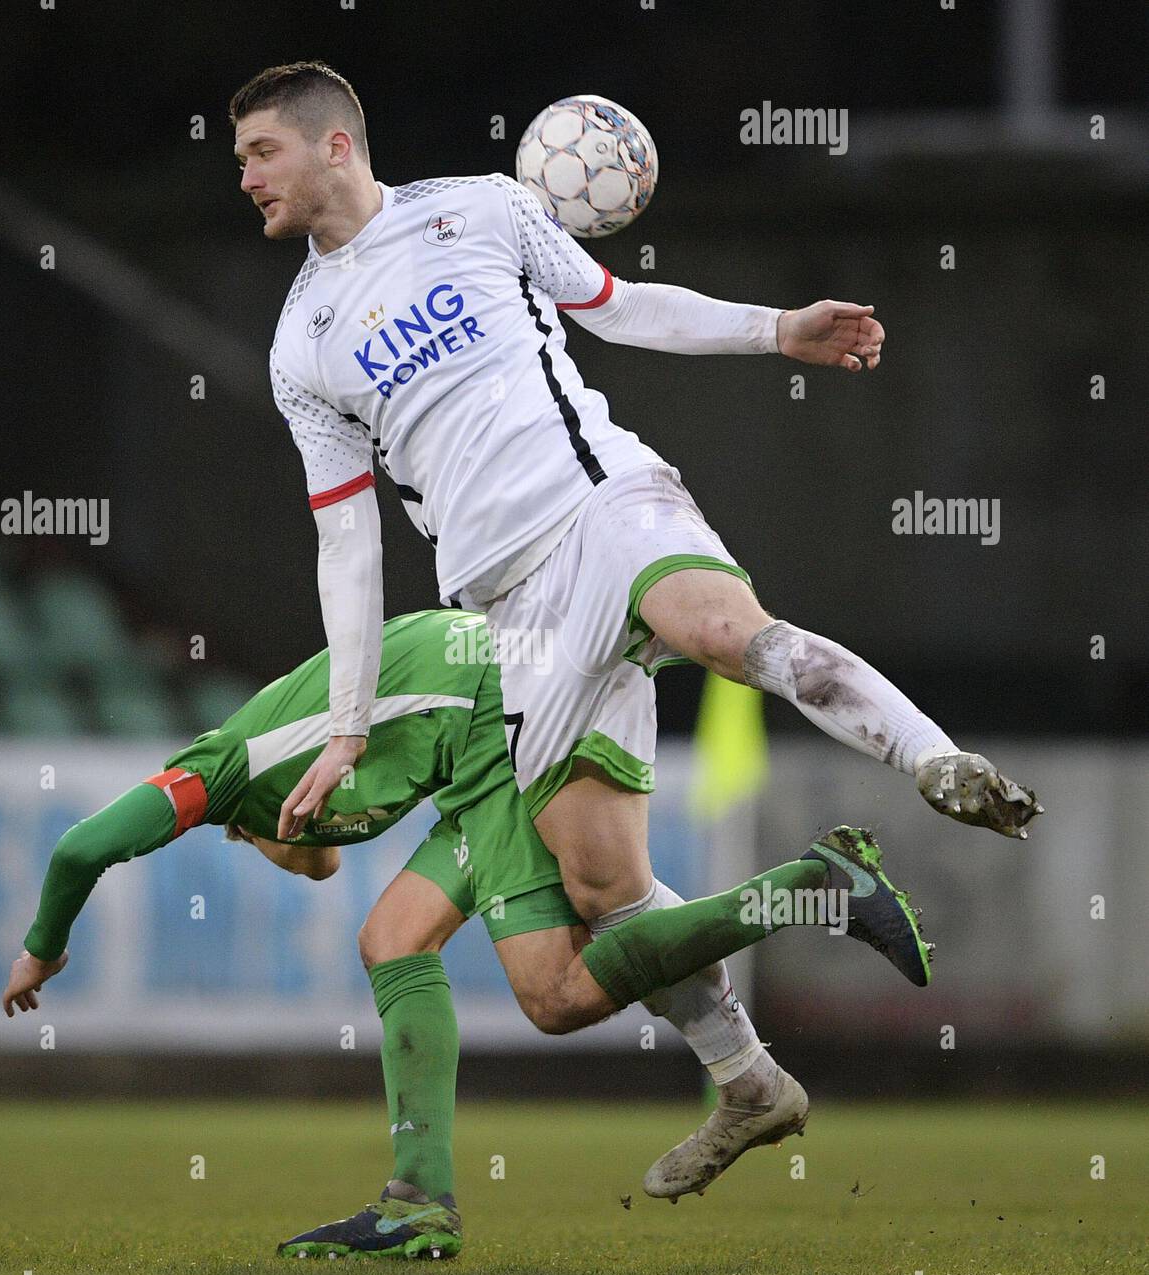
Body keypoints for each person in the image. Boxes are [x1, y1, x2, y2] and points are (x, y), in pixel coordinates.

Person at [232, 60, 1039, 1197]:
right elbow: (346, 543)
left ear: (334, 145)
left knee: (717, 629)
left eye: (260, 152)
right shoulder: (298, 344)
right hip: (509, 611)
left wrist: (780, 331)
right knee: (601, 909)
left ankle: (934, 760)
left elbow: (623, 310)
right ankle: (751, 1084)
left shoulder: (482, 208)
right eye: (238, 162)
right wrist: (348, 728)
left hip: (603, 501)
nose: (246, 177)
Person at [2, 610, 929, 1259]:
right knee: (396, 937)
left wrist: (44, 947)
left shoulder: (221, 771)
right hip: (488, 707)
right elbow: (323, 857)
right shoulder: (290, 799)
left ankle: (813, 887)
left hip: (500, 708)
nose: (279, 854)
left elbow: (81, 847)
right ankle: (427, 1199)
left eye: (255, 846)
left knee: (555, 996)